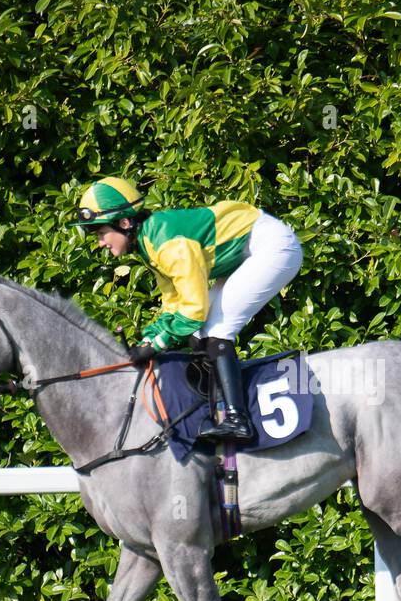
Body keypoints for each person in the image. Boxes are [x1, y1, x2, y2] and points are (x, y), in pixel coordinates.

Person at [74, 176, 303, 441]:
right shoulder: (149, 243)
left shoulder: (166, 242)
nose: (101, 242)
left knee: (217, 329)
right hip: (249, 249)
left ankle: (237, 419)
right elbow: (174, 303)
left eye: (102, 233)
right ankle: (218, 411)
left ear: (124, 223)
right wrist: (149, 339)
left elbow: (194, 309)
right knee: (199, 334)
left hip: (271, 246)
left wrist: (158, 344)